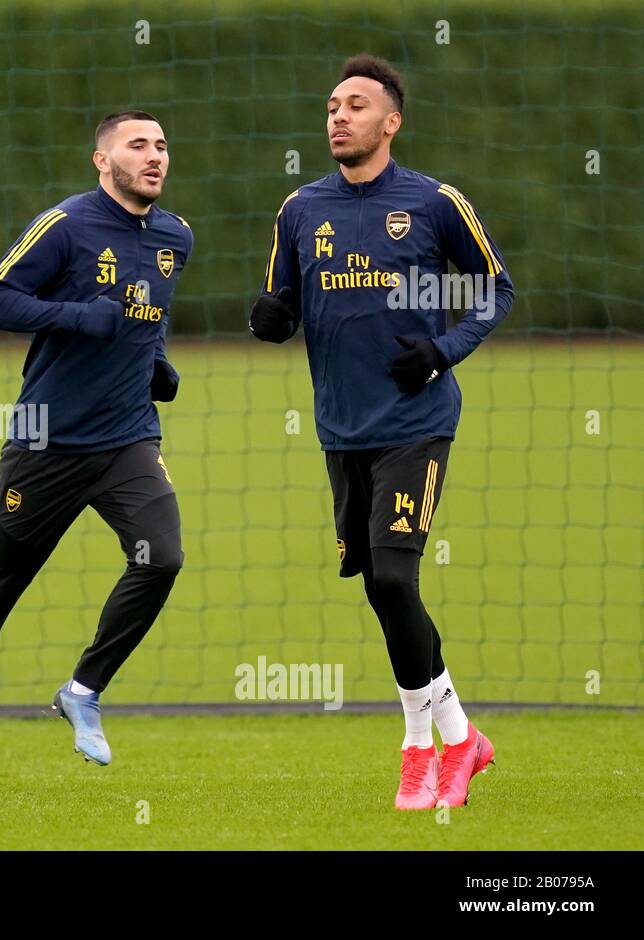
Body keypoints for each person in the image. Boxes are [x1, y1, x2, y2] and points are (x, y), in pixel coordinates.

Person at [250, 55, 513, 809]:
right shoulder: (300, 209)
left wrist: (443, 350)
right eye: (332, 104)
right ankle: (461, 738)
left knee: (397, 576)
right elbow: (282, 300)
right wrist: (273, 319)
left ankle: (416, 750)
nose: (338, 115)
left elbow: (497, 286)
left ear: (390, 123)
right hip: (342, 431)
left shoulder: (433, 203)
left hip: (417, 423)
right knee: (377, 586)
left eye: (356, 105)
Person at [0, 111, 193, 788]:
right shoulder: (66, 225)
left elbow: (145, 311)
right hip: (46, 444)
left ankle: (83, 690)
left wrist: (156, 360)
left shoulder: (175, 237)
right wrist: (78, 318)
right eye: (138, 146)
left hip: (128, 439)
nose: (154, 156)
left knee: (162, 557)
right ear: (103, 161)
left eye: (161, 145)